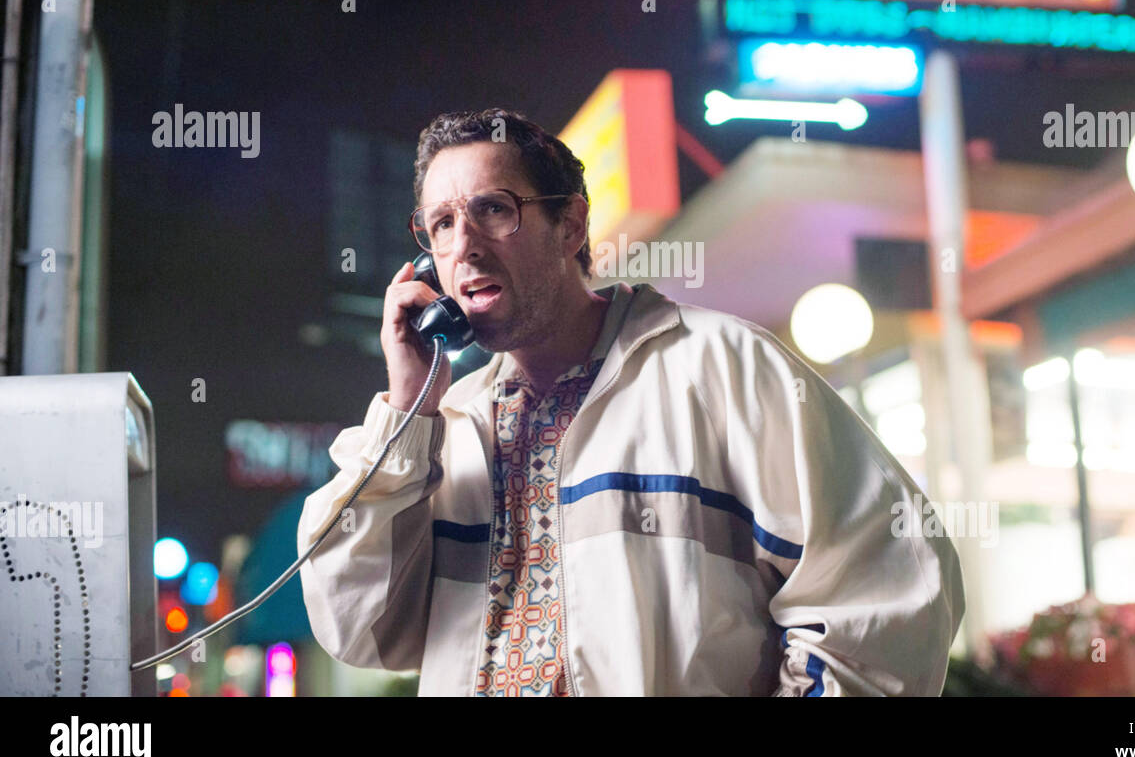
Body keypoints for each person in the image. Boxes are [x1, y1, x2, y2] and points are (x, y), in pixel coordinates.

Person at [297, 108, 965, 696]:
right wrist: (407, 413)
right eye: (441, 223)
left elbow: (890, 588)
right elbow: (357, 628)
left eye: (493, 208)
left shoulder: (721, 368)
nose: (464, 243)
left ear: (571, 223)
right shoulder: (443, 428)